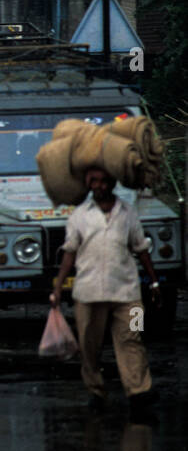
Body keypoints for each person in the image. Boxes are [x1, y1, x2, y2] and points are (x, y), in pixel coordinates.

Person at [52, 166, 160, 418]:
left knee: (134, 336)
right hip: (88, 294)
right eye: (94, 181)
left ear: (112, 184)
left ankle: (138, 391)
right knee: (89, 345)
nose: (99, 186)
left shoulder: (128, 213)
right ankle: (96, 391)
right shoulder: (79, 215)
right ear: (88, 184)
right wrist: (57, 288)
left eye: (104, 181)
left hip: (128, 293)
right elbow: (69, 252)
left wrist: (154, 283)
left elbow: (141, 248)